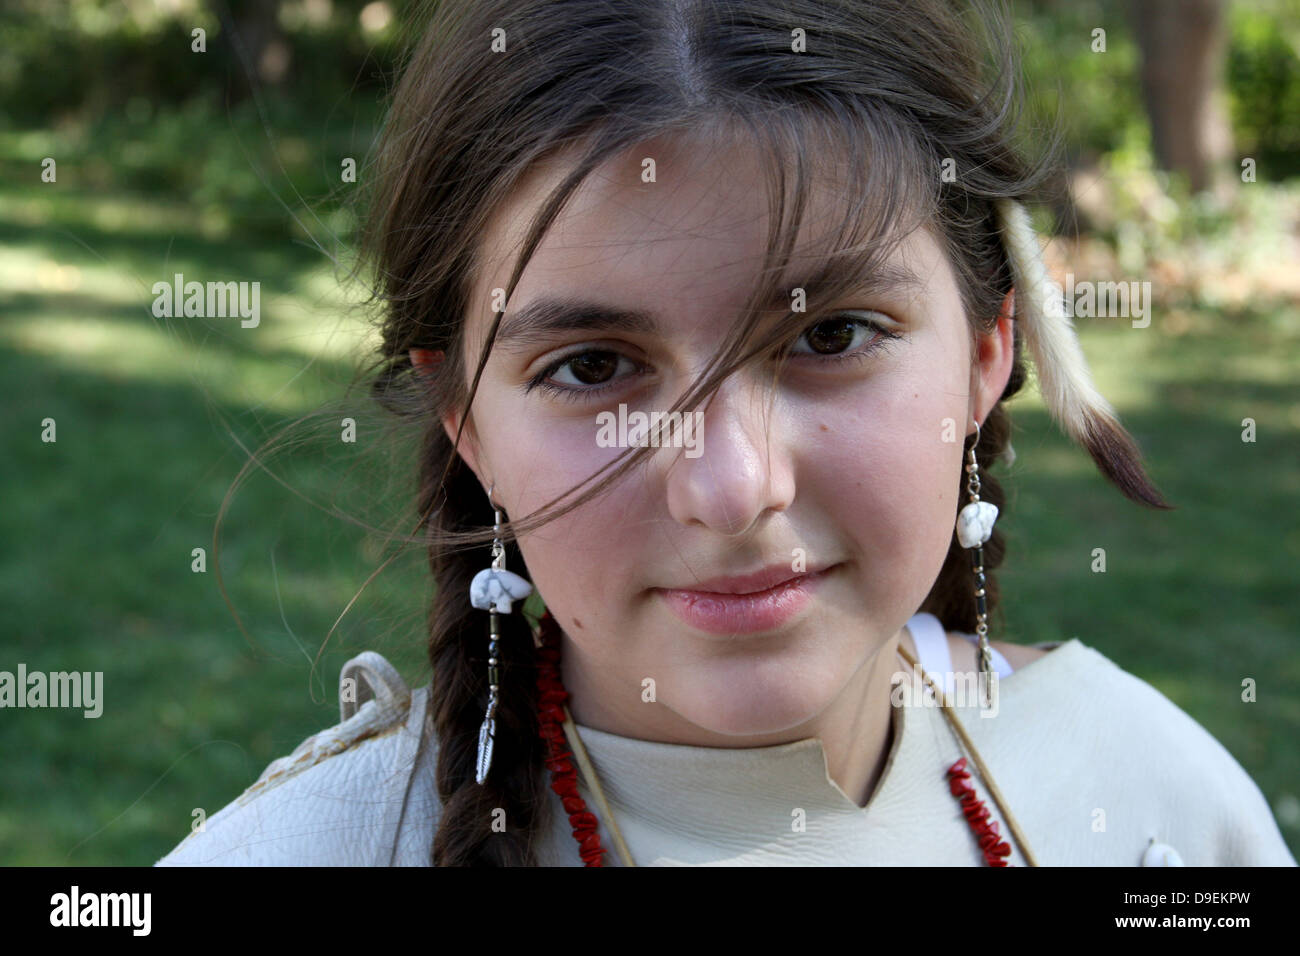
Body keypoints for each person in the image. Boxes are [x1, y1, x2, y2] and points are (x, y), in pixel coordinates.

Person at [156, 0, 1296, 866]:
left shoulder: (1152, 810)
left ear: (990, 350)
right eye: (593, 366)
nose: (731, 485)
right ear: (467, 420)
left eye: (834, 334)